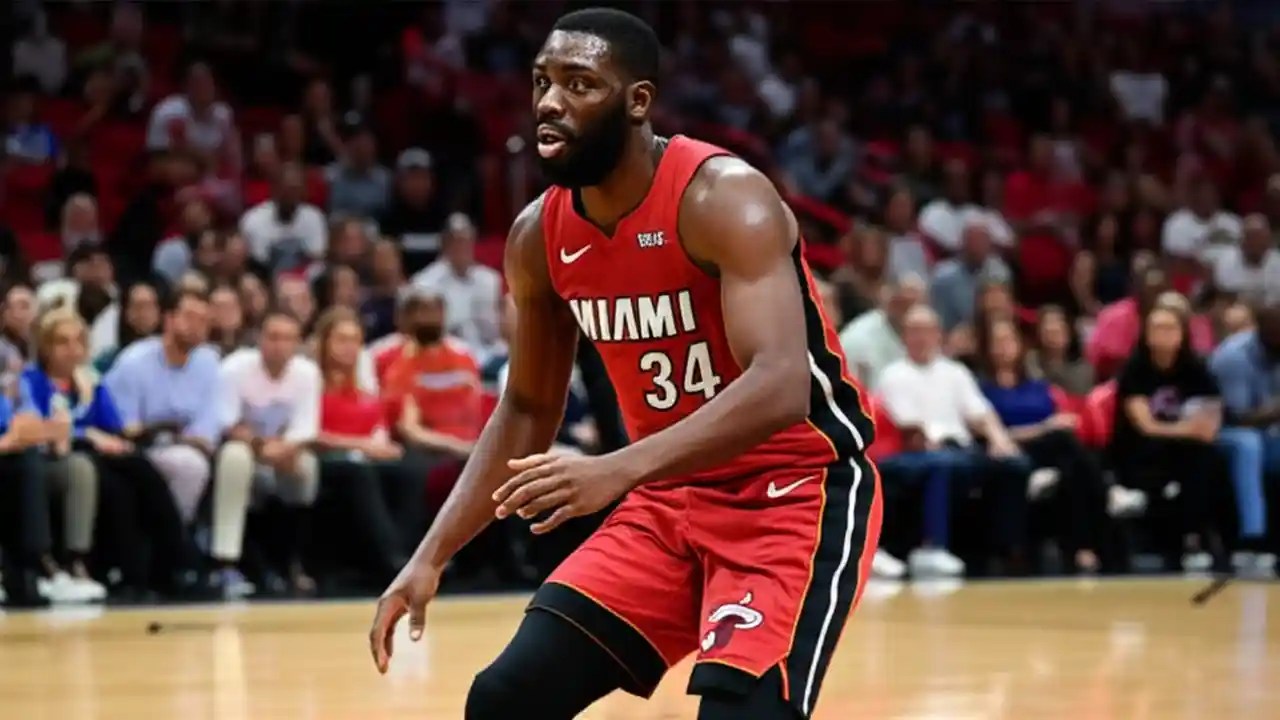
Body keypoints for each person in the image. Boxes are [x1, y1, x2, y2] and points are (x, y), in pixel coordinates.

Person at [369, 10, 881, 720]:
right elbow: (525, 409)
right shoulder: (538, 235)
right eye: (543, 81)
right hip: (666, 501)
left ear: (637, 101)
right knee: (505, 699)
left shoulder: (724, 197)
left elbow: (780, 386)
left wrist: (616, 468)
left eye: (580, 84)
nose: (550, 101)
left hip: (793, 493)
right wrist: (431, 554)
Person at [20, 308, 190, 598]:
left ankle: (159, 567)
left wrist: (97, 416)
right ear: (45, 346)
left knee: (135, 471)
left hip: (96, 454)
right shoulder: (31, 381)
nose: (72, 350)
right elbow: (38, 429)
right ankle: (166, 561)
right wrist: (84, 432)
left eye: (78, 342)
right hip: (52, 458)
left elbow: (114, 427)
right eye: (62, 342)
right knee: (112, 479)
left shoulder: (90, 379)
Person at [877, 305, 1031, 577]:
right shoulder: (893, 374)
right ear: (904, 336)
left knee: (1014, 465)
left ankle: (1007, 551)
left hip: (962, 450)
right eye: (914, 331)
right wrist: (933, 444)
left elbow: (980, 413)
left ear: (938, 335)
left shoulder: (955, 372)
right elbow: (908, 427)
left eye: (927, 331)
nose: (921, 338)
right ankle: (932, 548)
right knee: (943, 464)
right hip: (914, 452)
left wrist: (999, 439)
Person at [978, 316, 1108, 573]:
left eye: (1009, 340)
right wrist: (1043, 428)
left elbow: (1057, 417)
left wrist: (1056, 425)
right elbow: (993, 435)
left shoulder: (1037, 385)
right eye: (998, 341)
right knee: (1068, 448)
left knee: (1077, 464)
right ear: (989, 348)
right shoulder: (983, 389)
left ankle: (1083, 543)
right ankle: (1086, 541)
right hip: (1011, 451)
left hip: (1049, 450)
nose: (1005, 347)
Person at [313, 308, 427, 584]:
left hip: (363, 456)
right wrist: (363, 446)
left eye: (354, 340)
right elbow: (312, 434)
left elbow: (378, 429)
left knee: (412, 470)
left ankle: (411, 555)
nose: (349, 347)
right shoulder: (312, 382)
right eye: (341, 339)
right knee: (359, 474)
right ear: (324, 343)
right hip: (325, 457)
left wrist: (382, 447)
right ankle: (392, 559)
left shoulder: (364, 386)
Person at [1111, 294, 1224, 572]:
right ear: (1146, 335)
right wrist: (1188, 429)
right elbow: (1146, 426)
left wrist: (1188, 431)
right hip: (1139, 449)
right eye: (1155, 329)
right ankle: (1177, 543)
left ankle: (1199, 539)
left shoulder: (1197, 369)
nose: (1162, 335)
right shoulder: (1135, 370)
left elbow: (1209, 428)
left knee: (1207, 458)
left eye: (1169, 328)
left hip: (1184, 450)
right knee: (1175, 456)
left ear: (1182, 334)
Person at [214, 309, 322, 597]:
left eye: (288, 338)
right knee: (235, 457)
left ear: (297, 343)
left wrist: (283, 449)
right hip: (244, 449)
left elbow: (305, 428)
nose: (280, 345)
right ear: (259, 339)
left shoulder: (307, 373)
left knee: (307, 467)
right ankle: (225, 561)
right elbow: (227, 423)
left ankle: (293, 562)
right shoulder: (234, 367)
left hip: (282, 451)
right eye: (273, 337)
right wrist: (263, 446)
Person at [1209, 303, 1280, 574]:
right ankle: (1253, 537)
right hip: (1225, 434)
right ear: (1263, 332)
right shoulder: (1234, 356)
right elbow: (1237, 416)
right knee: (1248, 444)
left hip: (1270, 435)